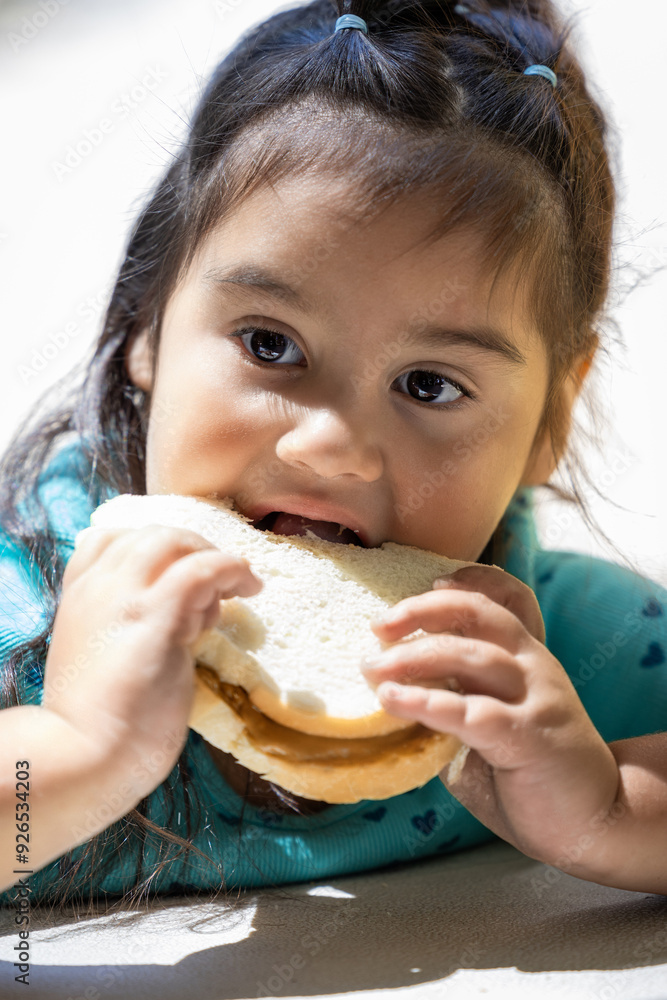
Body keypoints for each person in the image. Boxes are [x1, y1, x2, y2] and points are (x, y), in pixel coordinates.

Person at [0, 0, 665, 910]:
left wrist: (609, 810)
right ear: (148, 324)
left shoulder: (566, 662)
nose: (331, 447)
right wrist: (72, 748)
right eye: (269, 345)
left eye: (429, 385)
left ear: (553, 415)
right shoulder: (26, 608)